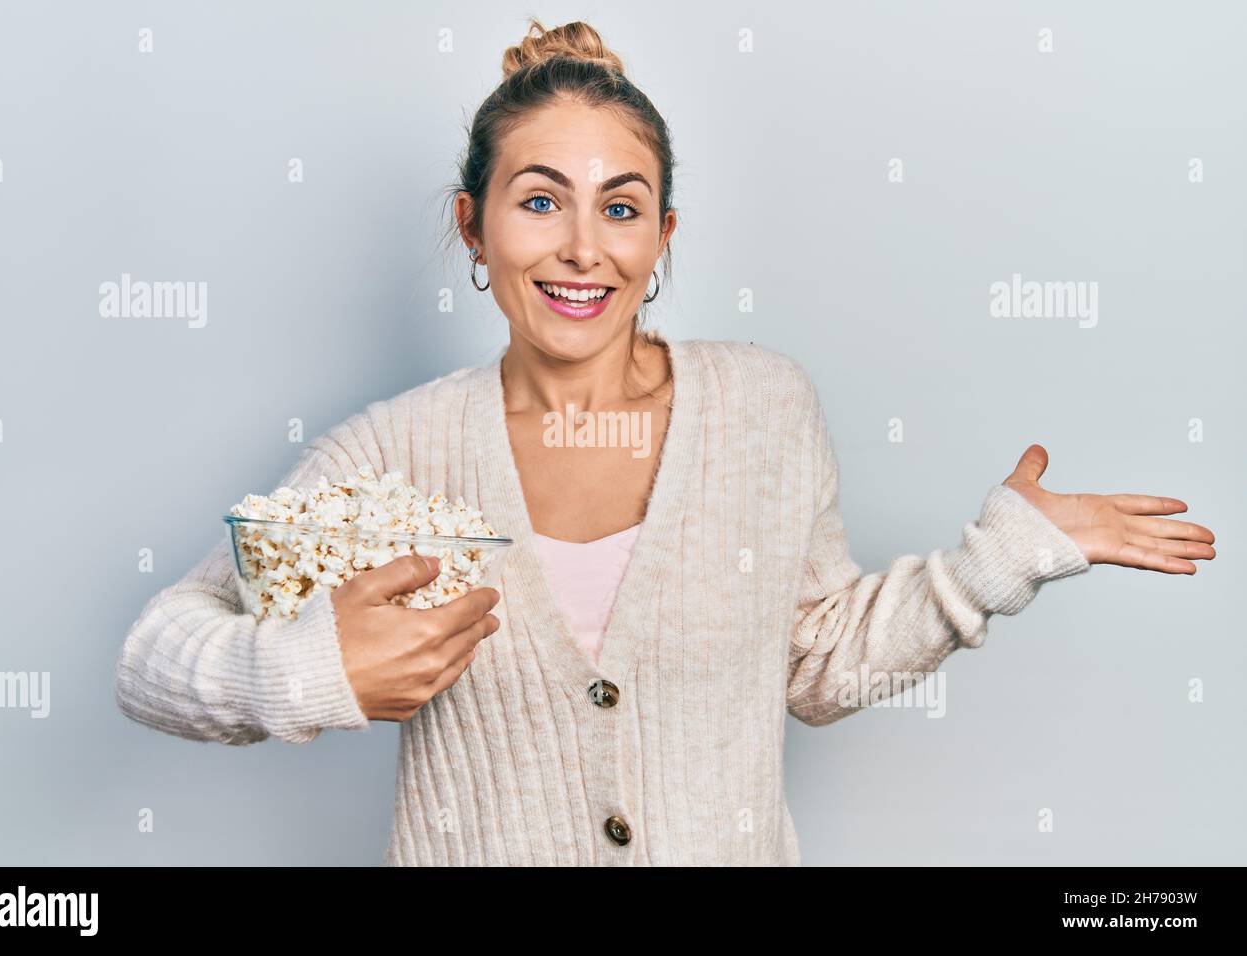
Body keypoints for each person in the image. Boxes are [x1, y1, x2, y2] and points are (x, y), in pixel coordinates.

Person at [115, 19, 1216, 866]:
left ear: (664, 237)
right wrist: (306, 668)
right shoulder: (389, 451)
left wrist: (998, 560)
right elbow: (152, 659)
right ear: (472, 227)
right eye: (539, 201)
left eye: (622, 207)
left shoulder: (762, 408)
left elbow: (818, 664)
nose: (582, 248)